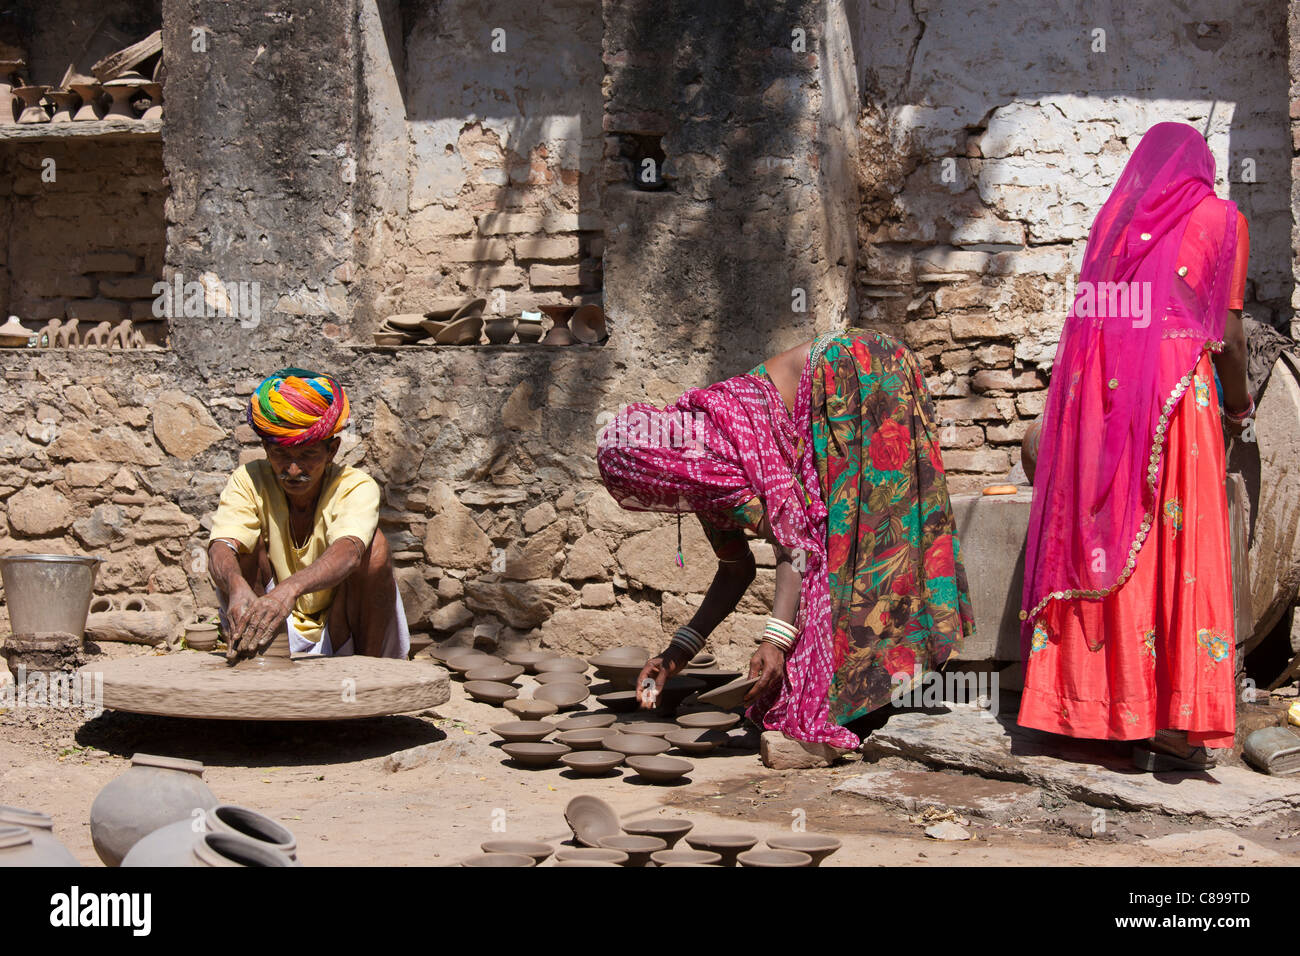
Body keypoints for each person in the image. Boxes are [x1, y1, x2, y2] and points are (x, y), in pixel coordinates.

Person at [596, 328, 975, 756]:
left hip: (851, 370)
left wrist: (775, 641)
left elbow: (794, 545)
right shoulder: (700, 474)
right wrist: (673, 656)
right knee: (868, 537)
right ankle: (879, 693)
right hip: (868, 366)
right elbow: (735, 570)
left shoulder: (710, 454)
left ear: (658, 464)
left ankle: (875, 693)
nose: (663, 499)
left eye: (652, 489)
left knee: (871, 537)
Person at [1017, 122, 1251, 770]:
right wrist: (1241, 404)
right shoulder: (1223, 219)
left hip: (1107, 393)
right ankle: (1175, 716)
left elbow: (1098, 314)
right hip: (1179, 394)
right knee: (1179, 544)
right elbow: (1228, 333)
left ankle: (1095, 708)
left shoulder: (1117, 222)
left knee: (1110, 536)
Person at [207, 367, 410, 662]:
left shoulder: (355, 486)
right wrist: (235, 586)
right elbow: (220, 547)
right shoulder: (248, 479)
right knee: (238, 550)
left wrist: (290, 590)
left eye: (307, 455)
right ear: (265, 448)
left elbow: (349, 553)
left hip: (339, 624)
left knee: (374, 548)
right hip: (271, 623)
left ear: (332, 450)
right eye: (282, 455)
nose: (293, 470)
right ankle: (253, 660)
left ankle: (367, 678)